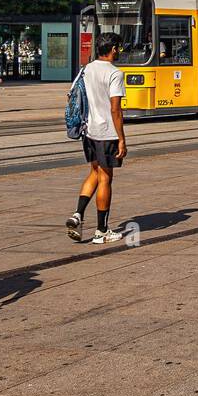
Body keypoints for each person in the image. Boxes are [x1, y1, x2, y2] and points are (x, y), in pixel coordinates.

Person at [65, 34, 127, 245]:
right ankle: (101, 231)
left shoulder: (87, 69)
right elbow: (115, 109)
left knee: (94, 172)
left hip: (89, 130)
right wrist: (121, 139)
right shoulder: (115, 74)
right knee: (105, 178)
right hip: (106, 132)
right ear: (114, 49)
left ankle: (77, 215)